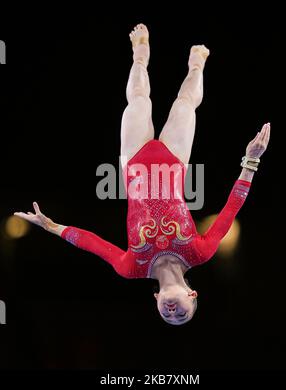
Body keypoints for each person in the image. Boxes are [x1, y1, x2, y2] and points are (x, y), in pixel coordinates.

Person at [14, 23, 271, 325]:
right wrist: (250, 162)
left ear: (156, 300)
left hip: (133, 164)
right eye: (182, 314)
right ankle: (197, 64)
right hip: (174, 161)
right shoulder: (199, 252)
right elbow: (230, 210)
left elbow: (92, 243)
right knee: (185, 104)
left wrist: (51, 226)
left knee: (137, 98)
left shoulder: (133, 266)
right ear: (193, 295)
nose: (172, 313)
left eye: (166, 315)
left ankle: (139, 56)